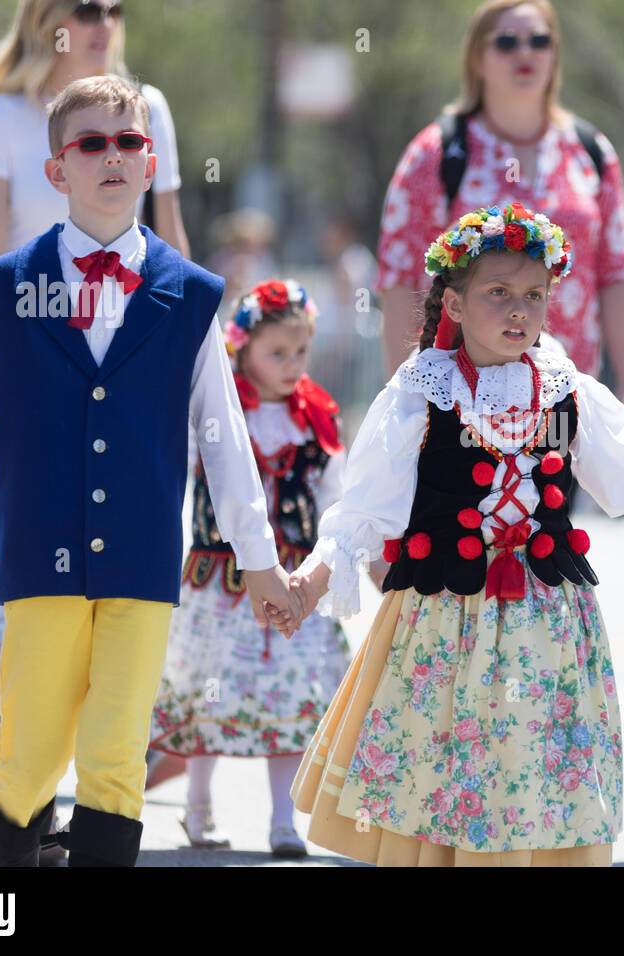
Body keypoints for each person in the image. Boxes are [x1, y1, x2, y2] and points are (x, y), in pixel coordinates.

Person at [0, 75, 301, 867]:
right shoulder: (5, 287)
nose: (112, 156)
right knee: (30, 753)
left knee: (114, 754)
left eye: (127, 142)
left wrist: (260, 559)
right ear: (56, 172)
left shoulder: (192, 296)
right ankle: (11, 853)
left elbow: (222, 439)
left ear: (150, 160)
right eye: (89, 143)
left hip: (142, 563)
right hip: (42, 559)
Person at [282, 202, 624, 866]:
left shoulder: (567, 392)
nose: (519, 309)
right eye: (498, 293)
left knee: (535, 759)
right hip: (442, 614)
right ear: (456, 304)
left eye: (534, 295)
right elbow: (363, 509)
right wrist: (312, 579)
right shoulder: (421, 394)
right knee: (443, 759)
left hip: (547, 617)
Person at [375, 0, 624, 429]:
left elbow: (617, 273)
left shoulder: (590, 151)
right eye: (506, 42)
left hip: (566, 400)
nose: (525, 52)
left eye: (539, 40)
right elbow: (397, 280)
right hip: (462, 402)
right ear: (477, 57)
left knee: (561, 496)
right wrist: (406, 396)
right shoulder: (436, 153)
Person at [149, 279, 350, 859]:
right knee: (212, 699)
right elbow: (175, 475)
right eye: (277, 353)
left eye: (300, 353)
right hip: (221, 587)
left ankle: (283, 822)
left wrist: (340, 557)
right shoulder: (215, 413)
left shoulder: (316, 418)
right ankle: (198, 807)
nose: (292, 365)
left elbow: (335, 495)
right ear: (241, 350)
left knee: (290, 703)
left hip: (294, 585)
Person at [0, 0, 190, 266]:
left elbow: (171, 246)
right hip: (31, 304)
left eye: (113, 11)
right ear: (46, 21)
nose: (106, 25)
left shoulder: (145, 107)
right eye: (88, 11)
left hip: (128, 305)